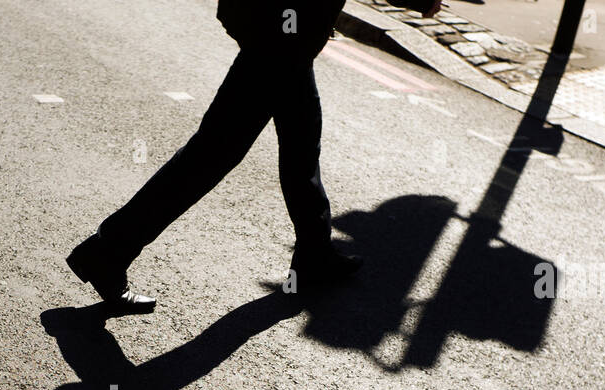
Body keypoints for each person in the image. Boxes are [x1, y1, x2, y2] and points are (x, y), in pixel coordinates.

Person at [66, 0, 441, 309]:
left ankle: (314, 252)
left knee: (298, 146)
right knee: (213, 154)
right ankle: (108, 251)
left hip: (282, 32)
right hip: (281, 38)